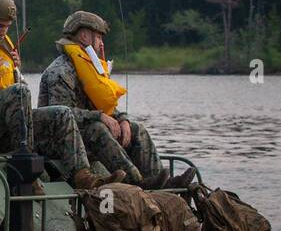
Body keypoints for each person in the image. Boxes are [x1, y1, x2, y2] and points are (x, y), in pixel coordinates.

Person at [0, 0, 124, 190]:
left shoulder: (2, 52)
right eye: (0, 26)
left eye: (7, 27)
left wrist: (15, 71)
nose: (4, 31)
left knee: (61, 113)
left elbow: (19, 100)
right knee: (18, 92)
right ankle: (26, 169)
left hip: (0, 128)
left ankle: (82, 175)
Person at [38, 11, 193, 190]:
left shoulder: (89, 69)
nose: (102, 43)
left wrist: (122, 119)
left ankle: (161, 182)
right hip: (59, 140)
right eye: (99, 37)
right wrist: (100, 117)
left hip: (83, 132)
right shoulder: (61, 71)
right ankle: (136, 183)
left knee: (136, 129)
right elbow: (61, 113)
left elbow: (104, 103)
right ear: (84, 36)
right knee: (97, 129)